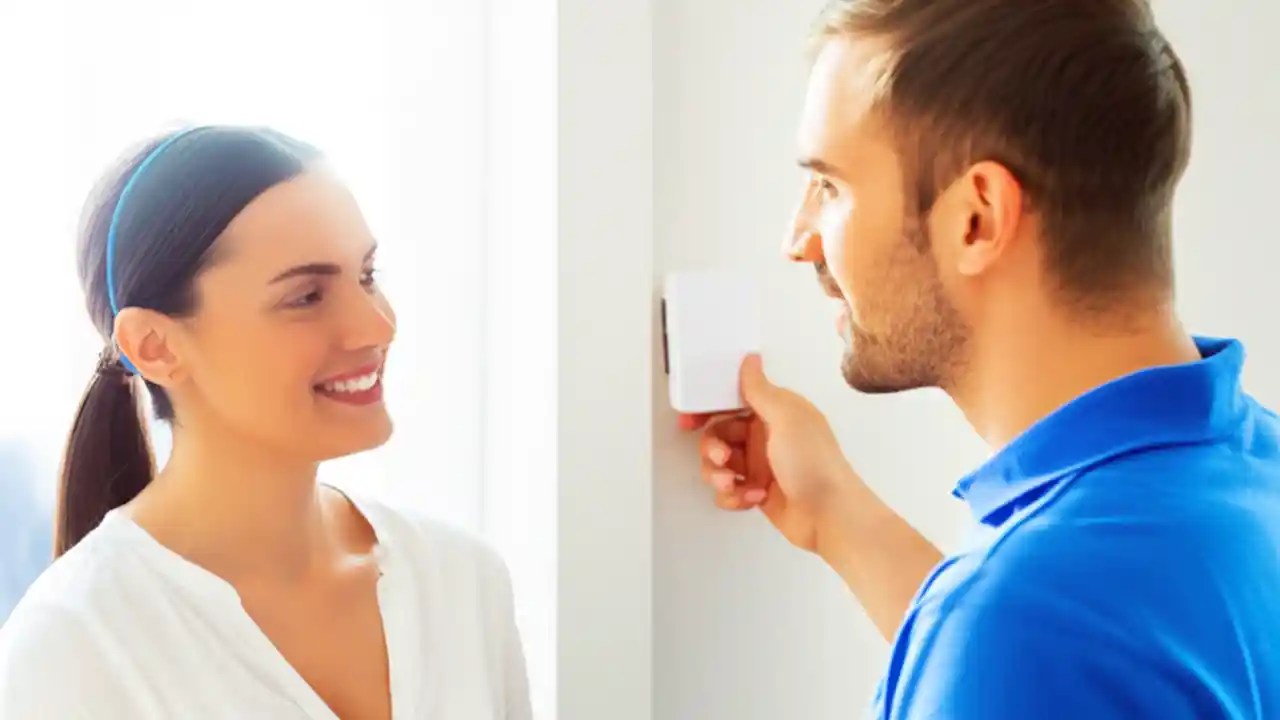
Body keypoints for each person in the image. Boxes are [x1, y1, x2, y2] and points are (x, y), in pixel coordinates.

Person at [684, 1, 1280, 718]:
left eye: (830, 186)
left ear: (978, 218)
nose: (800, 238)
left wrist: (971, 619)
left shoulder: (1019, 623)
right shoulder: (1247, 474)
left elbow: (1028, 644)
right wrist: (838, 517)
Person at [0, 126, 531, 719]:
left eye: (366, 275)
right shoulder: (74, 644)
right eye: (306, 296)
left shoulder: (462, 582)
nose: (376, 326)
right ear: (155, 346)